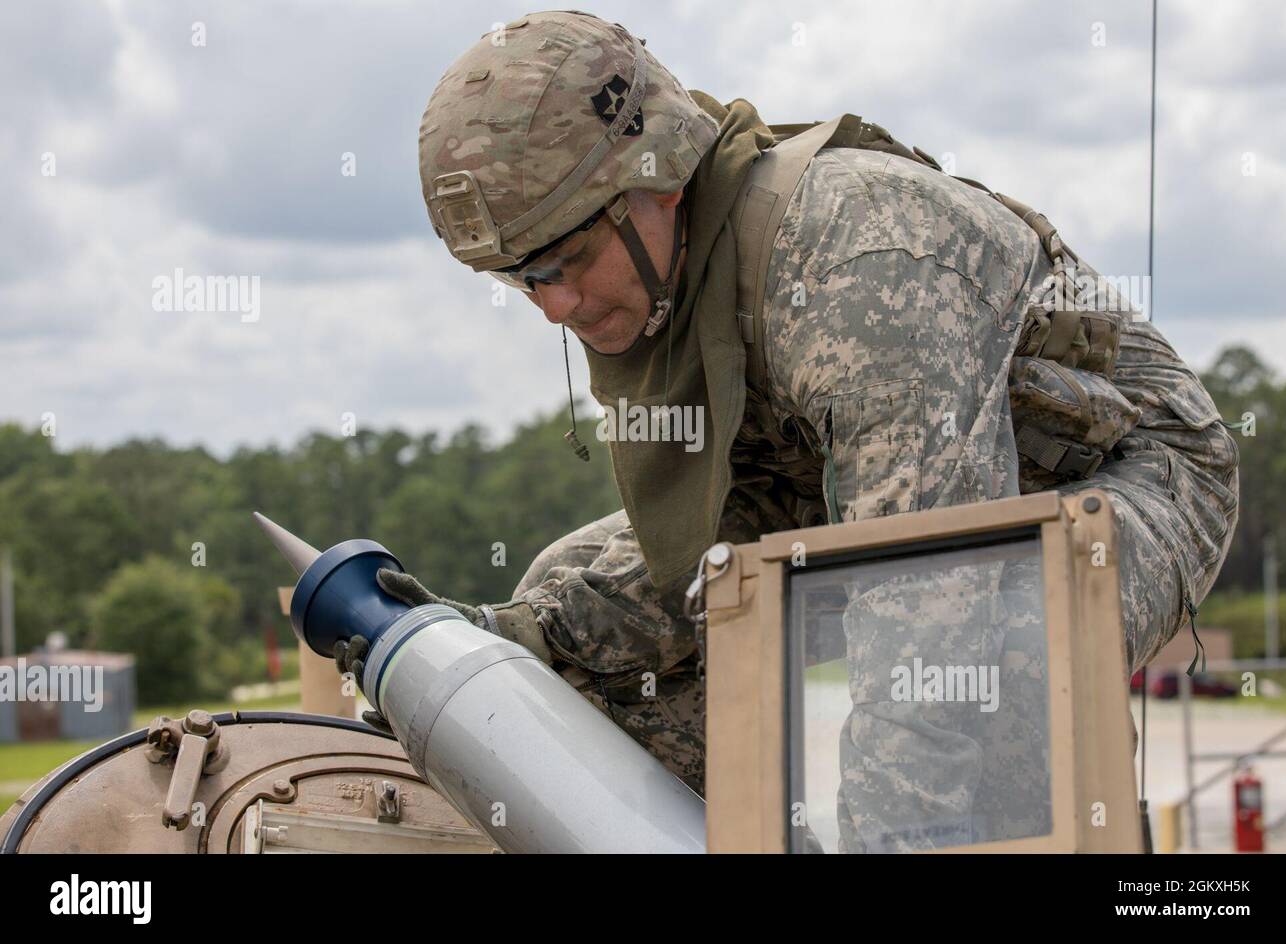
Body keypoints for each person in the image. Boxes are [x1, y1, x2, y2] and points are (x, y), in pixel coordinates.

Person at [339, 10, 1239, 847]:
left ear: (655, 177)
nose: (554, 308)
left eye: (567, 261)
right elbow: (720, 538)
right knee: (559, 624)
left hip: (1117, 470)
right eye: (520, 279)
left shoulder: (864, 274)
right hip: (840, 478)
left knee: (1001, 651)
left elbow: (927, 627)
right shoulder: (673, 272)